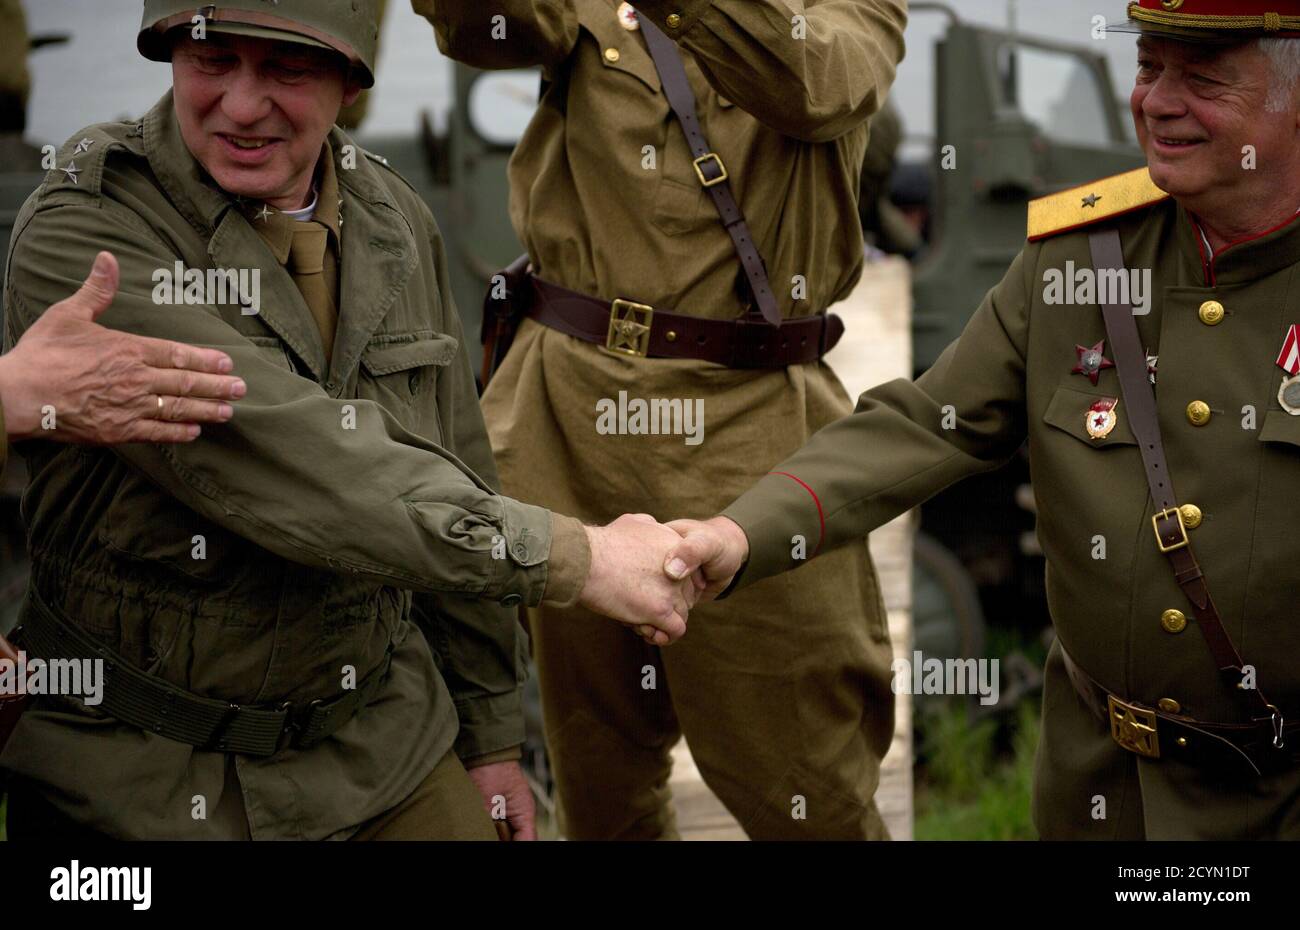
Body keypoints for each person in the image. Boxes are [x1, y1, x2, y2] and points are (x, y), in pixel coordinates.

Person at [1, 0, 693, 842]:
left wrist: (488, 736)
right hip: (140, 770)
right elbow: (290, 454)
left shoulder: (390, 218)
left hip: (379, 743)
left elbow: (457, 461)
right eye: (211, 62)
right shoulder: (90, 227)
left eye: (287, 70)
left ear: (351, 82)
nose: (242, 105)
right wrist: (577, 556)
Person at [665, 0, 1300, 839]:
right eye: (1149, 67)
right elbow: (928, 424)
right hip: (1100, 790)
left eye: (1204, 79)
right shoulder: (1082, 254)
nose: (1157, 101)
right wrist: (738, 533)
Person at [416, 0, 908, 839]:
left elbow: (816, 84)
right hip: (566, 414)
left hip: (751, 424)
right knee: (599, 775)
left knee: (809, 786)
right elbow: (484, 28)